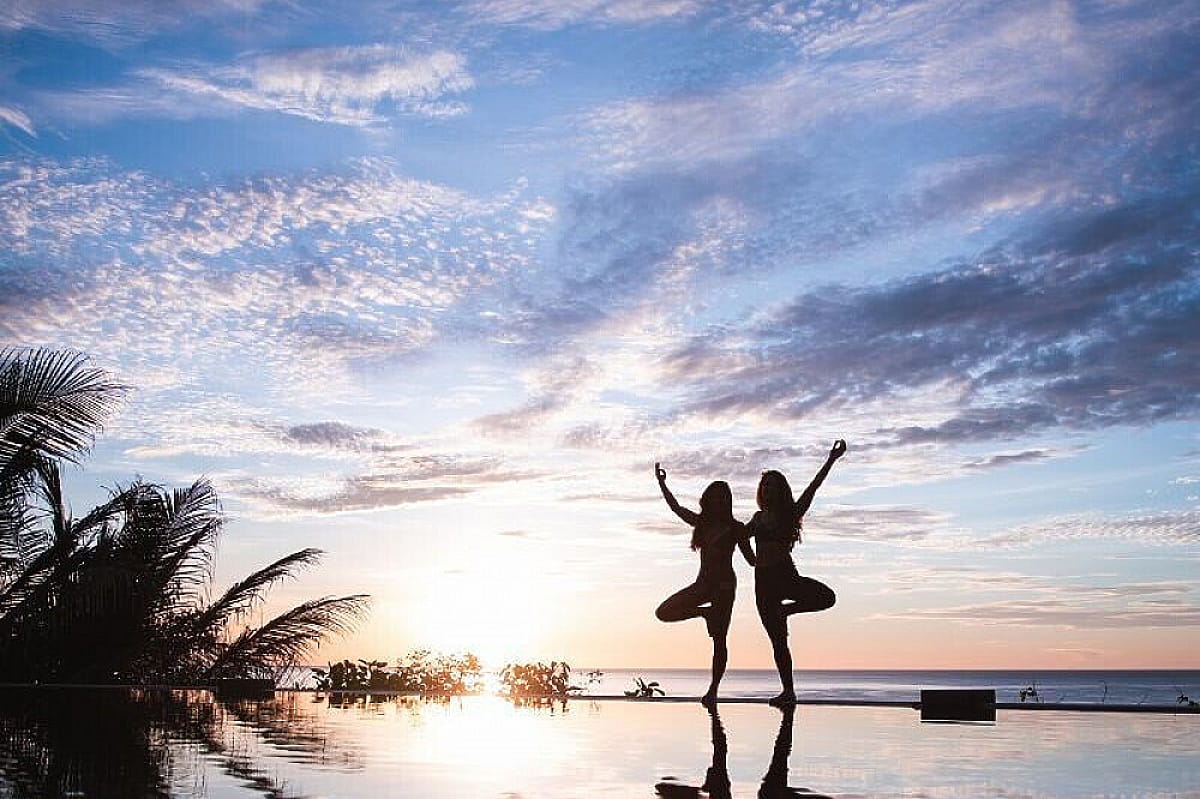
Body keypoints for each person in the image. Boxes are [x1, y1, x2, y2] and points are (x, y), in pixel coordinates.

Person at [748, 440, 846, 706]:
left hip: (786, 576)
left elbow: (813, 488)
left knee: (827, 597)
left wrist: (831, 459)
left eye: (773, 485)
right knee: (778, 642)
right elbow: (739, 536)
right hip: (763, 584)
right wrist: (750, 558)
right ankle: (788, 692)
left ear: (781, 491)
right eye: (765, 485)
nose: (768, 489)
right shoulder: (757, 519)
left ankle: (788, 611)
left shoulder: (790, 514)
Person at [654, 463, 755, 705]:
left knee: (720, 641)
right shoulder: (702, 524)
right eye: (715, 498)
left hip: (724, 588)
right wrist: (662, 484)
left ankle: (713, 690)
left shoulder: (736, 528)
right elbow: (676, 508)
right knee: (664, 612)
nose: (719, 502)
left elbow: (752, 561)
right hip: (702, 584)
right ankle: (703, 614)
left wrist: (774, 546)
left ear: (728, 502)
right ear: (708, 500)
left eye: (723, 498)